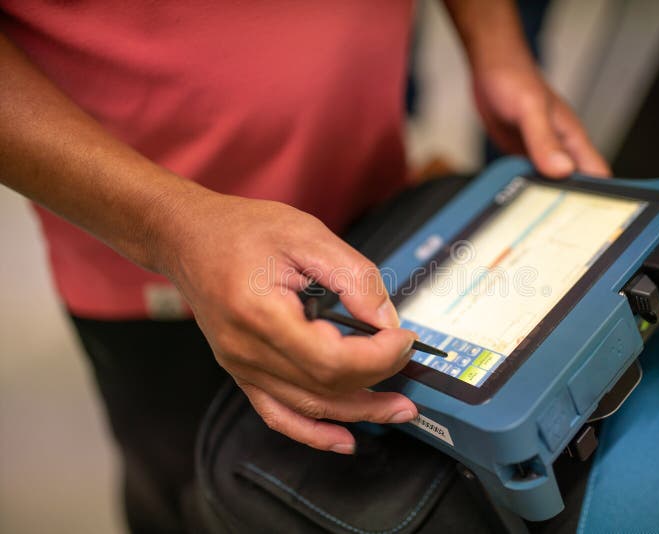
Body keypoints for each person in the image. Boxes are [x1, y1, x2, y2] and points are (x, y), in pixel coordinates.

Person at [0, 1, 610, 531]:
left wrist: (496, 46)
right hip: (155, 278)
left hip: (374, 197)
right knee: (196, 495)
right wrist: (170, 230)